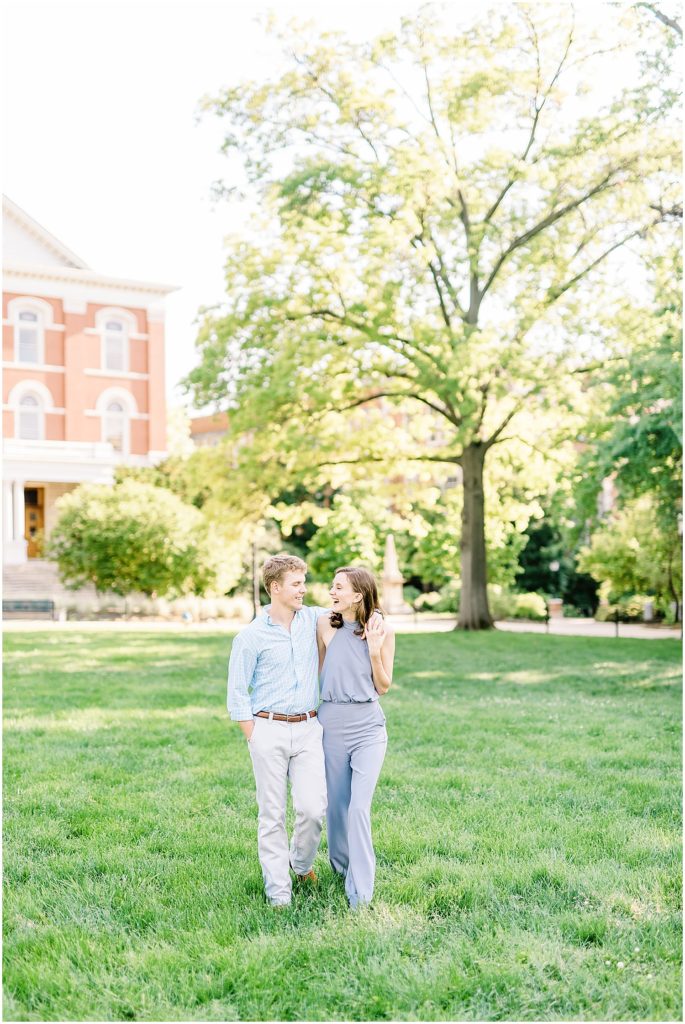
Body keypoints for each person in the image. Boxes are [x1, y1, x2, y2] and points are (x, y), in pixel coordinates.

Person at [227, 554, 329, 908]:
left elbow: (350, 613)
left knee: (313, 809)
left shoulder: (313, 619)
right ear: (275, 588)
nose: (304, 589)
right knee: (272, 814)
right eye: (296, 584)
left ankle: (299, 865)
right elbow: (237, 693)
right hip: (268, 729)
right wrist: (253, 733)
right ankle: (279, 894)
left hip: (309, 727)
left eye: (304, 582)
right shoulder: (250, 637)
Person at [316, 566, 395, 909]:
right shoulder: (323, 624)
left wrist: (375, 649)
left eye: (338, 588)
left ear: (358, 596)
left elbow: (383, 686)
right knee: (336, 805)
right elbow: (319, 672)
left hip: (368, 727)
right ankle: (340, 868)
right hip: (330, 722)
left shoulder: (381, 629)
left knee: (359, 808)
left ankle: (360, 893)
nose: (331, 592)